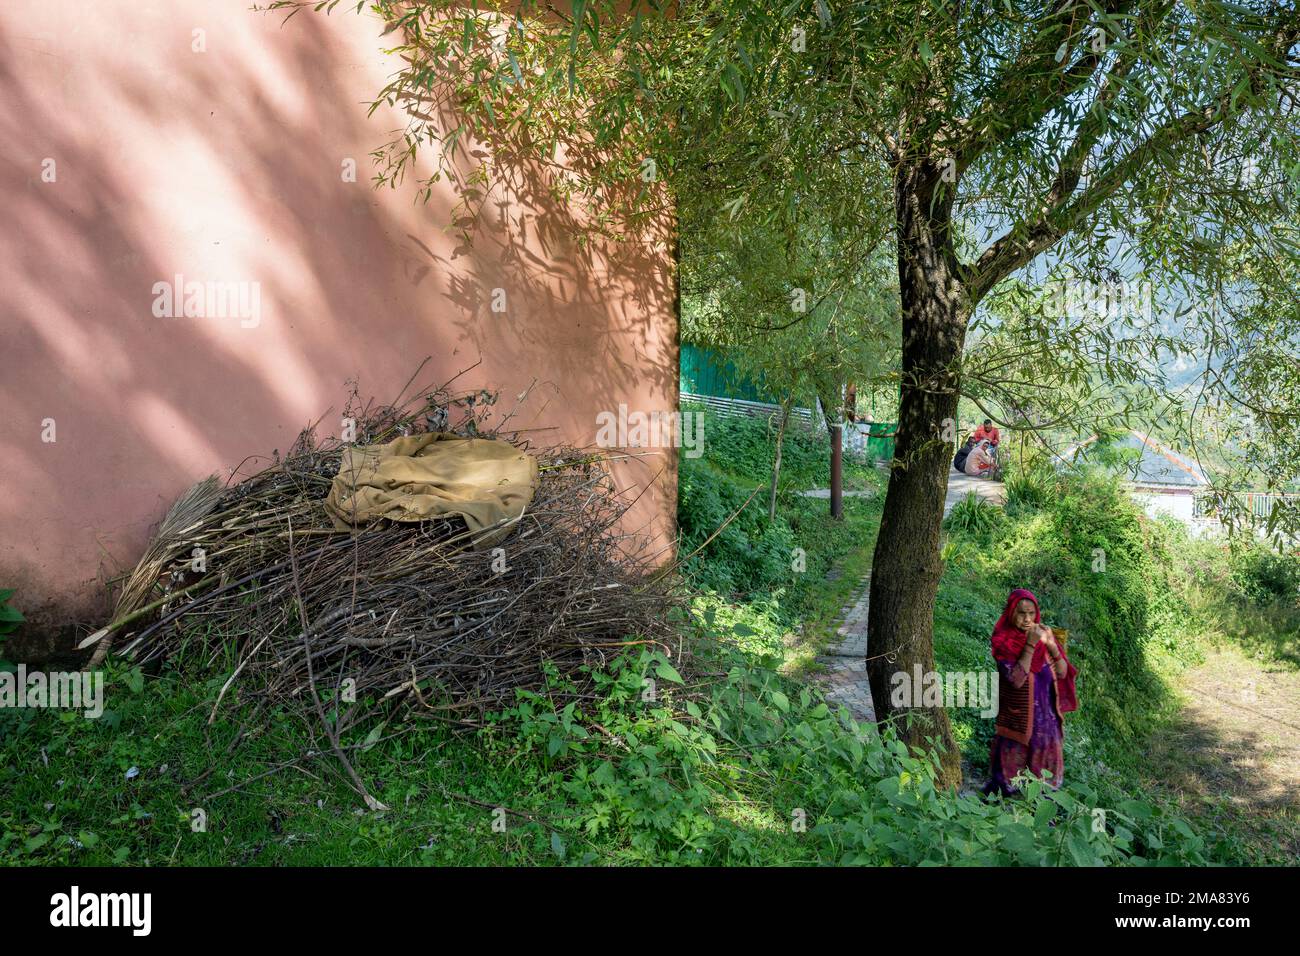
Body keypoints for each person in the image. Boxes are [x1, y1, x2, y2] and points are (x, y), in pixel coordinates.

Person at [982, 589, 1078, 798]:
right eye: (1021, 613)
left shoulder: (1044, 637)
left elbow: (1062, 672)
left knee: (1044, 773)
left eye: (1031, 614)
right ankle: (1001, 804)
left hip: (1046, 720)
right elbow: (1016, 680)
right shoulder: (1004, 641)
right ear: (1011, 613)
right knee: (1010, 773)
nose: (1027, 619)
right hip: (1018, 719)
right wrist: (1031, 644)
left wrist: (1052, 645)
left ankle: (1041, 806)